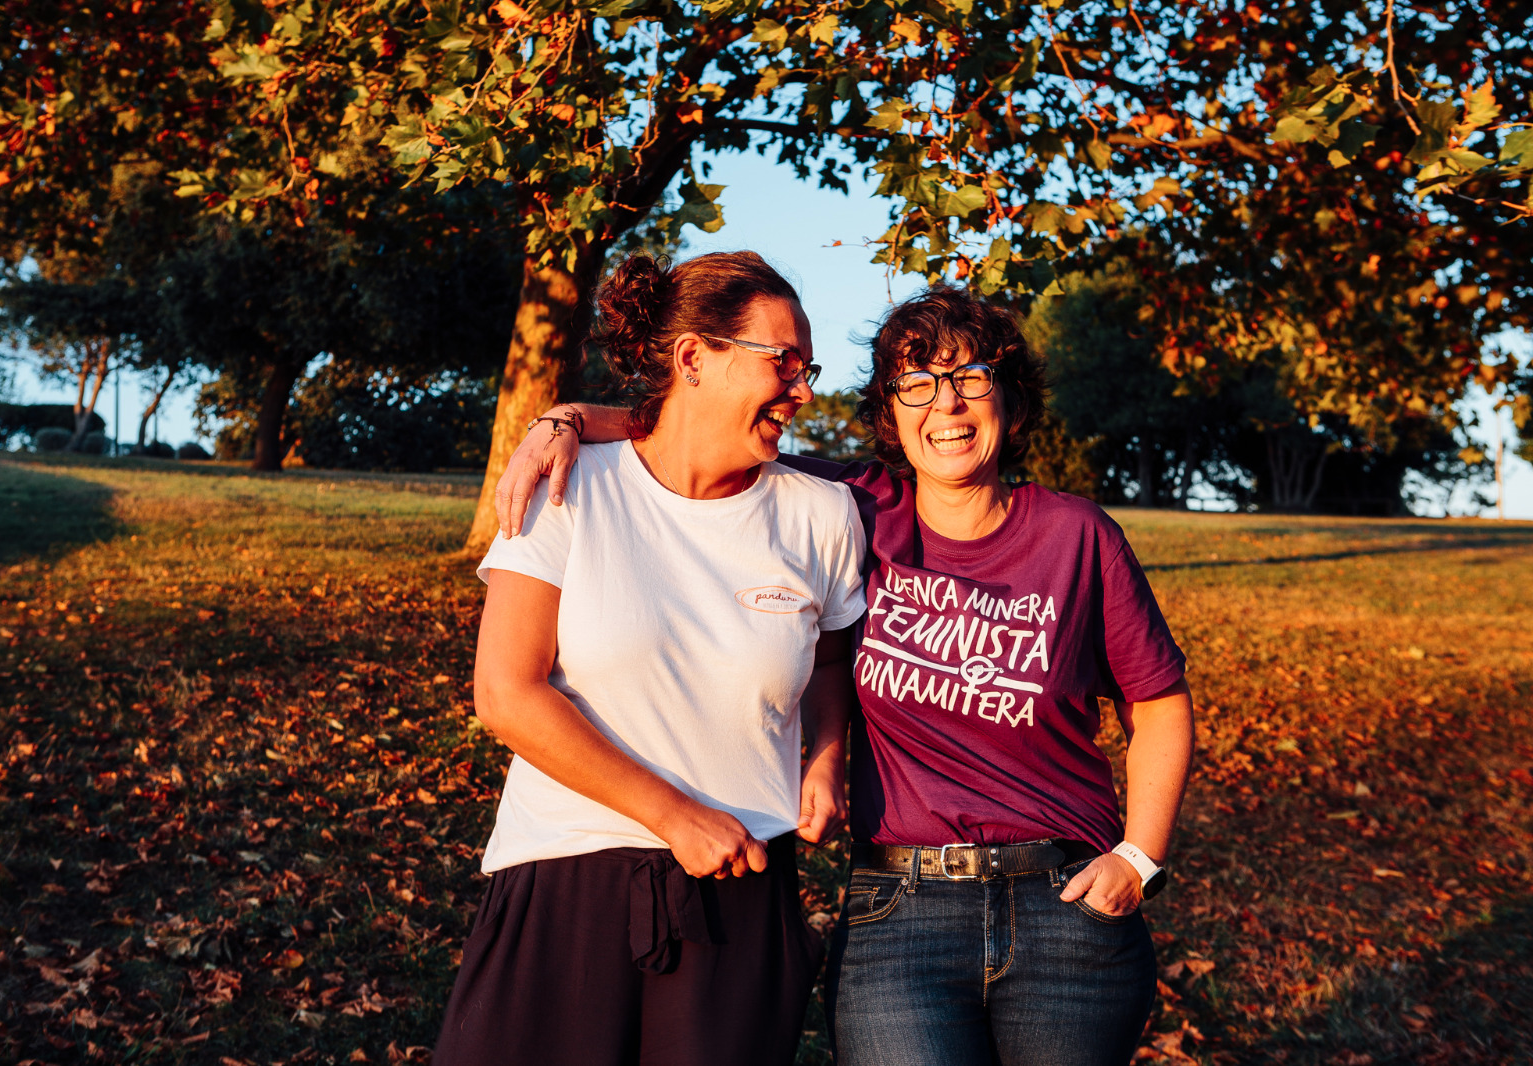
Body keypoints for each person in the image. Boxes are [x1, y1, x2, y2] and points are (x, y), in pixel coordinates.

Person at [498, 285, 1195, 1066]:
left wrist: (1139, 856)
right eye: (917, 385)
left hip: (1065, 903)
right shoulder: (855, 507)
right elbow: (690, 434)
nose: (947, 405)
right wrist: (561, 421)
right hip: (905, 909)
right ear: (891, 415)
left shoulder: (1079, 537)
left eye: (969, 378)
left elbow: (1159, 701)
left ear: (1011, 399)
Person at [432, 251, 867, 1066]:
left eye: (809, 369)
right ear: (695, 358)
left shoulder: (824, 515)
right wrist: (672, 815)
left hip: (741, 889)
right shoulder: (566, 483)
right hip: (564, 877)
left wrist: (827, 758)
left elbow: (834, 661)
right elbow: (506, 693)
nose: (804, 391)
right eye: (784, 363)